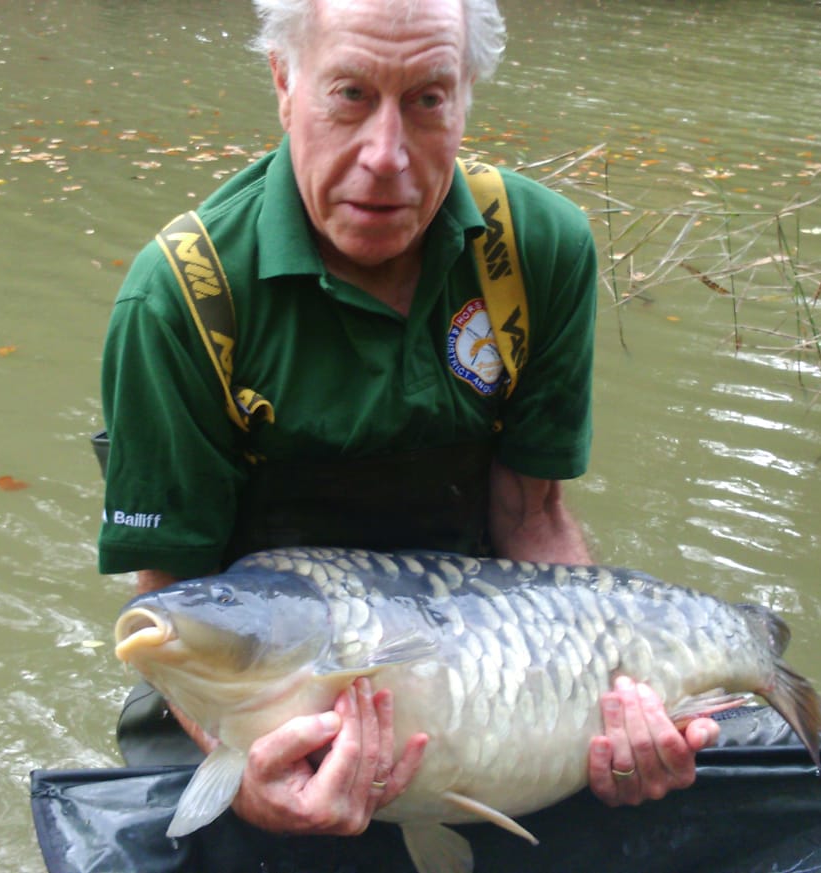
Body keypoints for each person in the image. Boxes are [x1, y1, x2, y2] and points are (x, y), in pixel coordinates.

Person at [96, 0, 719, 838]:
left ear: (466, 98)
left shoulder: (535, 251)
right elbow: (168, 597)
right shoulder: (182, 297)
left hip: (473, 662)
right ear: (285, 83)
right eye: (350, 94)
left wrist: (606, 698)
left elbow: (531, 518)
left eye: (428, 99)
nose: (386, 157)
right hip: (257, 673)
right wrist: (242, 769)